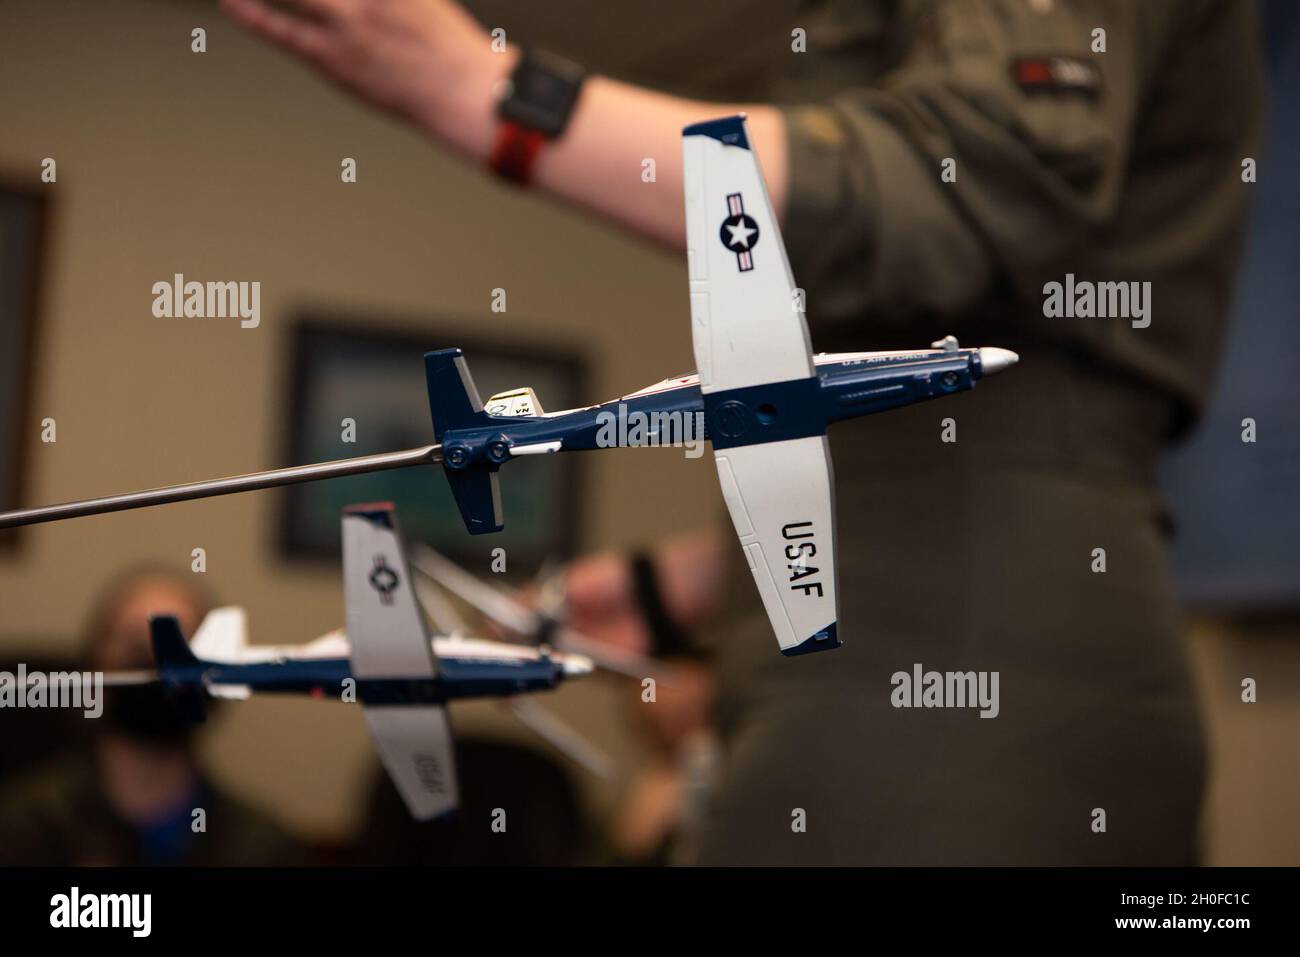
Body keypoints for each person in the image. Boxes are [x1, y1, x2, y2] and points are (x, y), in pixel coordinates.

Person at [221, 0, 1266, 863]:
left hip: (969, 686)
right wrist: (692, 587)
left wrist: (498, 98)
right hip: (907, 655)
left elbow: (972, 178)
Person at [0, 568, 307, 866]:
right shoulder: (24, 829)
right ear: (94, 665)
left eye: (181, 645)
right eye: (135, 644)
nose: (156, 661)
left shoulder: (262, 848)